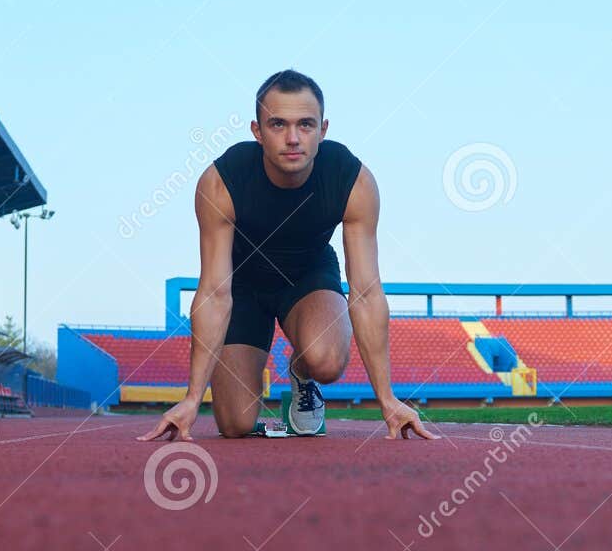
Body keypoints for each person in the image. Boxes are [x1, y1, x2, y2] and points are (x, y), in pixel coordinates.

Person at [140, 69, 437, 442]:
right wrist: (191, 399)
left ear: (324, 129)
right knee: (234, 426)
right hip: (243, 284)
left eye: (306, 124)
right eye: (278, 124)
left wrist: (388, 399)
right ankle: (251, 400)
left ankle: (302, 370)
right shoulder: (220, 182)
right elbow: (215, 291)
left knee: (325, 360)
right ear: (257, 130)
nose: (293, 138)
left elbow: (366, 292)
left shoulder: (354, 181)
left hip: (307, 277)